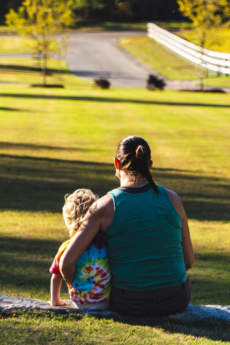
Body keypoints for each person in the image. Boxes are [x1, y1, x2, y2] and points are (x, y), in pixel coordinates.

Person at [59, 136, 194, 317]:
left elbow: (67, 262)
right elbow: (189, 262)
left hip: (130, 302)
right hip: (175, 299)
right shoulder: (173, 199)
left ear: (116, 163)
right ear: (149, 165)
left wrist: (75, 284)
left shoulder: (104, 206)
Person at [49, 189, 110, 310]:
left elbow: (56, 276)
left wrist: (55, 301)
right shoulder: (105, 243)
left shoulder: (67, 247)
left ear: (68, 221)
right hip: (106, 302)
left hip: (80, 302)